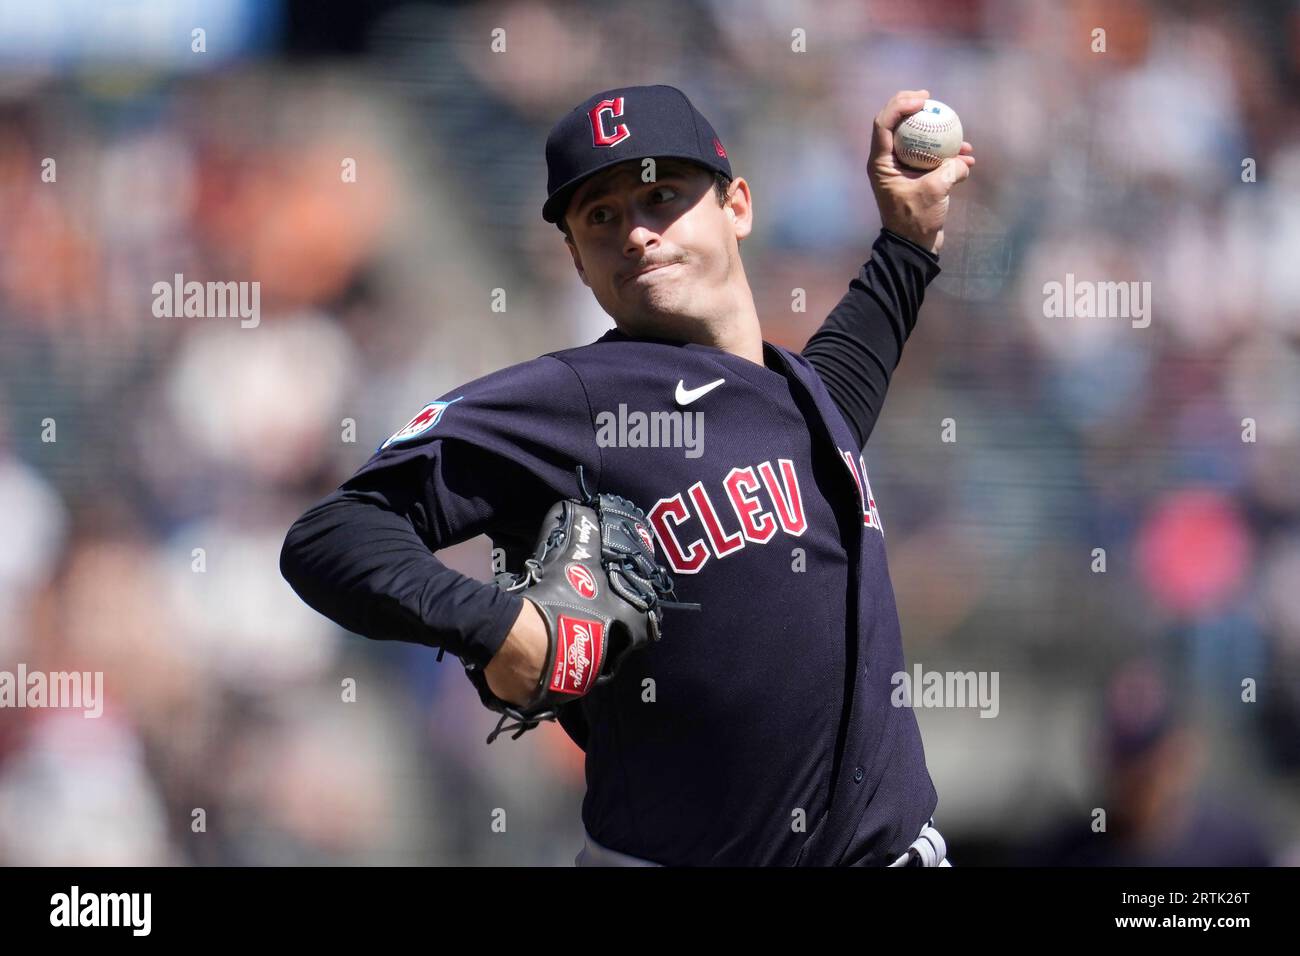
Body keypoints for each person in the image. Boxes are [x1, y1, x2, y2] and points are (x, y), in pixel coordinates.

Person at [280, 84, 974, 866]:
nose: (638, 233)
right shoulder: (575, 398)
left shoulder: (801, 399)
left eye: (661, 195)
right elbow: (333, 534)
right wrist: (496, 626)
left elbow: (845, 376)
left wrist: (908, 242)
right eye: (601, 217)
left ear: (737, 205)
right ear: (575, 258)